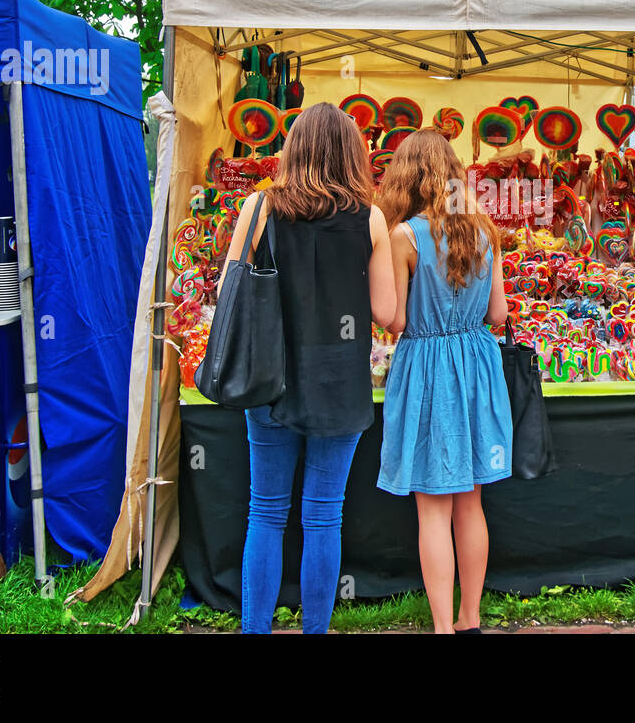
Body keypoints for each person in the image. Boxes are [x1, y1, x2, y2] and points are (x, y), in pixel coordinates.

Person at [220, 102, 396, 634]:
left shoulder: (258, 209)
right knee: (324, 515)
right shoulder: (370, 217)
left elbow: (230, 289)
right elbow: (387, 313)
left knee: (266, 513)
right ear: (353, 155)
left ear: (292, 151)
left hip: (268, 379)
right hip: (340, 386)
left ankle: (255, 631)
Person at [375, 129, 513, 634]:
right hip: (477, 366)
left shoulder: (404, 236)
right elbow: (498, 315)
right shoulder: (484, 229)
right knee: (471, 503)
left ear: (406, 177)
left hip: (428, 369)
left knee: (433, 509)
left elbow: (396, 323)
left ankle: (442, 629)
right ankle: (471, 619)